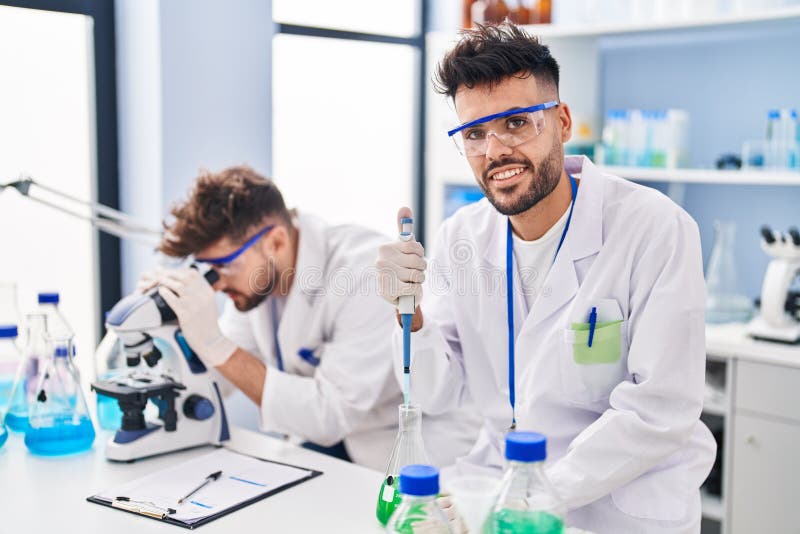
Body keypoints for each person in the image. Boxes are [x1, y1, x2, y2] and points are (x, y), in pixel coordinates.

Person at [376, 23, 715, 533]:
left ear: (561, 121)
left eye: (516, 123)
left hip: (620, 510)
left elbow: (659, 410)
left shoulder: (654, 228)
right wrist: (411, 314)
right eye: (474, 134)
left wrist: (534, 496)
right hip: (501, 495)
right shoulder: (460, 236)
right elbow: (439, 394)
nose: (495, 151)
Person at [144, 166, 479, 470]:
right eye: (208, 270)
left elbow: (329, 414)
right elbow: (224, 377)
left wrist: (213, 343)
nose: (217, 284)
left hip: (418, 449)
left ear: (274, 241)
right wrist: (177, 326)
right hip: (345, 441)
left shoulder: (362, 274)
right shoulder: (256, 284)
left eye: (224, 266)